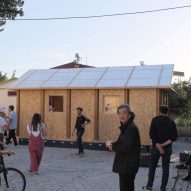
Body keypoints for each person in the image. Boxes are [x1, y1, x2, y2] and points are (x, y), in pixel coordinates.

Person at [106, 104, 141, 191]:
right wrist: (113, 143)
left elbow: (126, 147)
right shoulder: (127, 126)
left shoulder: (131, 128)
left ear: (129, 114)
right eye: (119, 113)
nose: (121, 115)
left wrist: (111, 146)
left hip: (127, 165)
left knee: (126, 188)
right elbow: (125, 143)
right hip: (126, 165)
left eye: (124, 113)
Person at [143, 105, 177, 191]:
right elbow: (173, 138)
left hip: (155, 148)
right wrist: (163, 146)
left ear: (160, 111)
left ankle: (149, 186)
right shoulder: (171, 122)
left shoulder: (154, 120)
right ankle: (163, 188)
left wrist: (158, 145)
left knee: (152, 167)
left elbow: (152, 134)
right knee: (165, 169)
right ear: (167, 112)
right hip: (167, 148)